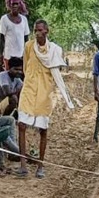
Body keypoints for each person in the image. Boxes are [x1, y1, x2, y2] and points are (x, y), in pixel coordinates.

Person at [15, 20, 74, 179]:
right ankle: (22, 165)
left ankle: (40, 165)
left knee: (43, 129)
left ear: (47, 31)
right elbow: (26, 68)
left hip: (44, 92)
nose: (37, 33)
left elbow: (56, 72)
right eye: (35, 30)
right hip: (29, 89)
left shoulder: (54, 50)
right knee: (21, 125)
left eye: (40, 30)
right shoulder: (28, 46)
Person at [0, 0, 29, 71]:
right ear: (9, 5)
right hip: (8, 56)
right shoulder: (4, 19)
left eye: (16, 4)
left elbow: (26, 40)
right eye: (13, 4)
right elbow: (1, 39)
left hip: (21, 56)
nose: (14, 6)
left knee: (21, 79)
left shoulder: (24, 20)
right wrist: (0, 57)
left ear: (19, 5)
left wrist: (27, 56)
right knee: (9, 77)